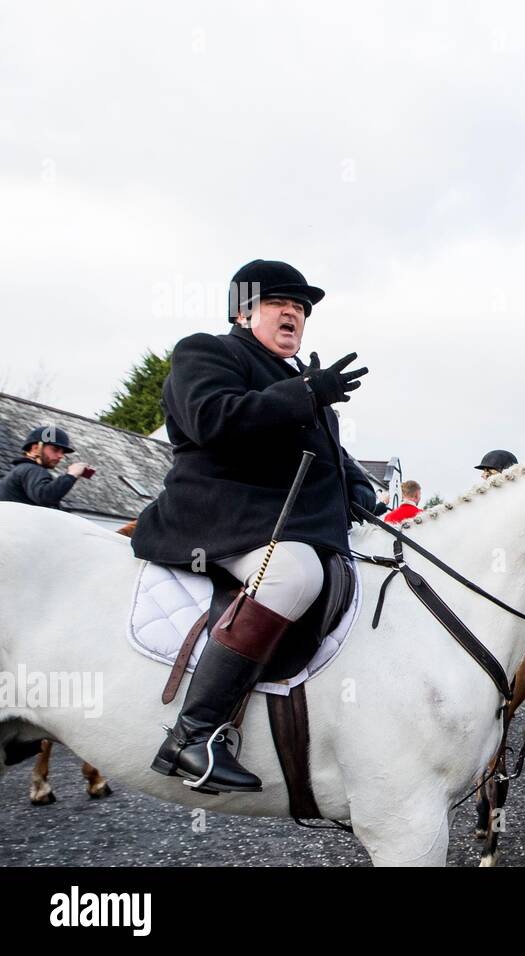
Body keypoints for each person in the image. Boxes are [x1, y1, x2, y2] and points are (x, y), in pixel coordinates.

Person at [132, 259, 377, 794]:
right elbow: (212, 418)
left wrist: (353, 485)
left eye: (302, 308)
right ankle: (193, 735)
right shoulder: (206, 352)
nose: (295, 312)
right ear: (244, 311)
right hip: (220, 519)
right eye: (280, 303)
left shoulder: (297, 380)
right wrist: (307, 395)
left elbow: (320, 454)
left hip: (290, 522)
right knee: (294, 575)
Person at [0, 425, 92, 508]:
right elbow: (45, 497)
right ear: (36, 448)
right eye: (55, 449)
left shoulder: (20, 470)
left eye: (62, 452)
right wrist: (71, 475)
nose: (61, 456)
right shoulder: (32, 470)